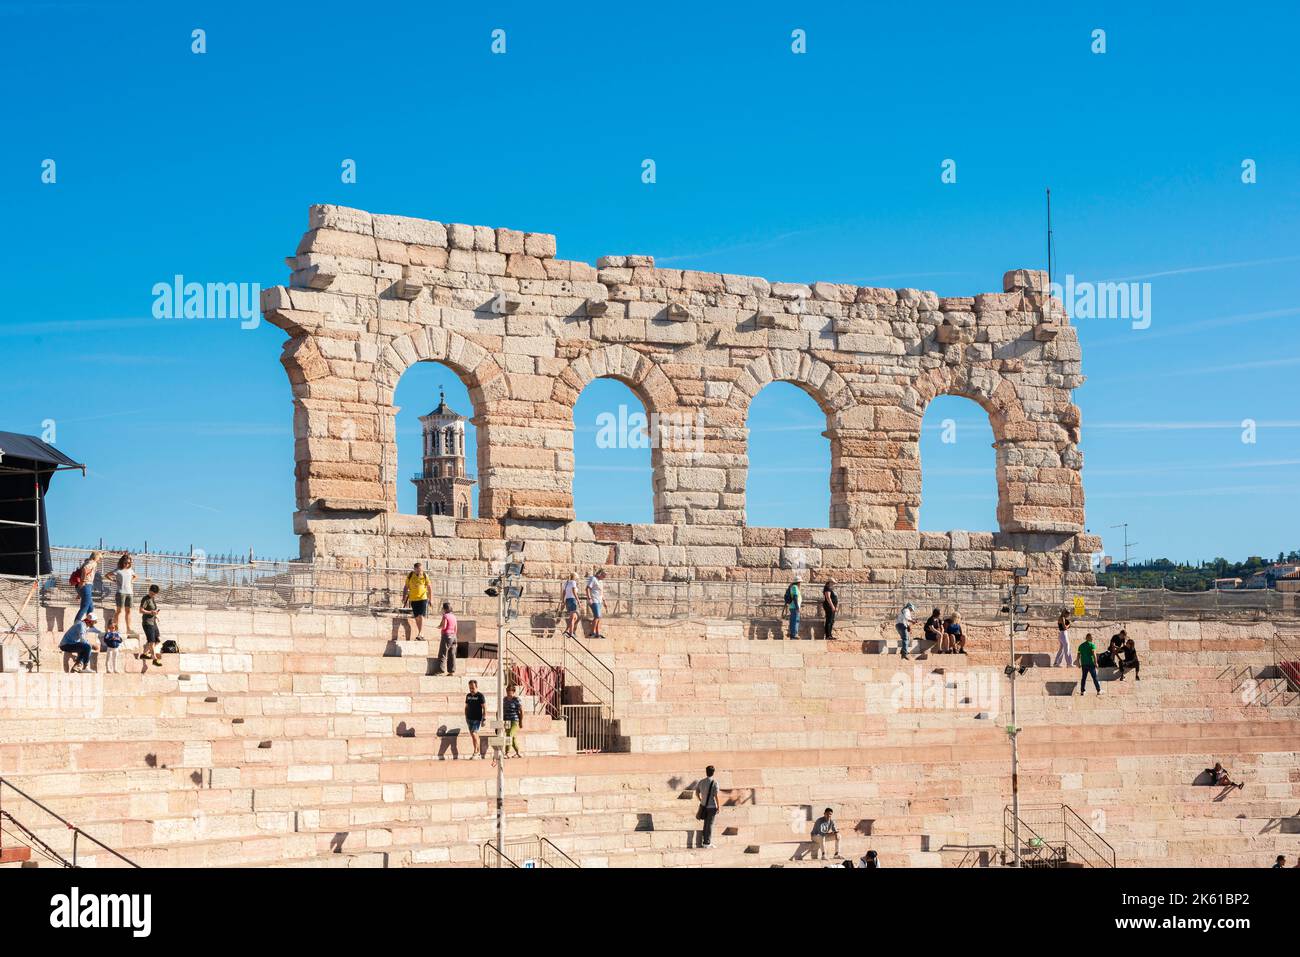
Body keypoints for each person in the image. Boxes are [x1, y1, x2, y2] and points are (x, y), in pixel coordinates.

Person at [402, 562, 431, 640]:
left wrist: (430, 598)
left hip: (422, 598)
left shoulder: (425, 576)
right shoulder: (410, 575)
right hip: (413, 599)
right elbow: (406, 587)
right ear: (414, 569)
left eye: (421, 570)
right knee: (417, 617)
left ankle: (420, 633)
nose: (420, 572)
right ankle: (421, 634)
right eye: (418, 570)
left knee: (421, 616)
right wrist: (404, 597)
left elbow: (429, 587)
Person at [71, 550, 99, 624]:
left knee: (90, 607)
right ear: (96, 557)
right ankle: (76, 623)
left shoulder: (86, 562)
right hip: (86, 585)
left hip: (82, 586)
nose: (100, 560)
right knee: (85, 606)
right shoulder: (93, 562)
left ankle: (89, 624)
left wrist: (79, 592)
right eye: (99, 558)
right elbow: (84, 569)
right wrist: (83, 581)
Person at [695, 765, 720, 849]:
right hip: (712, 806)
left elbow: (696, 792)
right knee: (710, 824)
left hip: (704, 806)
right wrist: (718, 806)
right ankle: (707, 843)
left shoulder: (701, 782)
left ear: (706, 772)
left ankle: (704, 841)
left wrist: (701, 800)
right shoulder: (715, 783)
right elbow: (716, 796)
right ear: (713, 773)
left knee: (706, 824)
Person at [139, 584, 163, 667]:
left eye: (154, 594)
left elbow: (152, 609)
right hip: (147, 623)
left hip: (153, 622)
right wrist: (151, 612)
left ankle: (144, 654)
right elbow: (141, 610)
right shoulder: (145, 599)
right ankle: (154, 659)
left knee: (156, 640)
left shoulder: (152, 599)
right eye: (151, 593)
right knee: (151, 641)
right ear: (149, 590)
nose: (152, 595)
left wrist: (155, 615)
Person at [113, 553, 137, 635]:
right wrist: (114, 580)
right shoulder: (118, 570)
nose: (127, 564)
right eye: (125, 562)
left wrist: (132, 581)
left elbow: (135, 576)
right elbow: (107, 575)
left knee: (129, 611)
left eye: (129, 563)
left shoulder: (131, 570)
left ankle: (128, 629)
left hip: (130, 593)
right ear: (122, 562)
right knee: (119, 611)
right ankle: (116, 629)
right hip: (120, 593)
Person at [464, 680, 486, 759]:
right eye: (470, 688)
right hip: (469, 718)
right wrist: (466, 717)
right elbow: (466, 707)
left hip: (477, 719)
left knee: (474, 734)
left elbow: (484, 708)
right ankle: (478, 753)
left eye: (473, 688)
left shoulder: (480, 696)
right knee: (474, 736)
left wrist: (484, 718)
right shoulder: (468, 695)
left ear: (476, 687)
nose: (471, 689)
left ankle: (475, 752)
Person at [503, 683, 524, 758]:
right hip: (506, 721)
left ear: (513, 691)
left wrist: (521, 721)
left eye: (511, 690)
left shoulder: (516, 699)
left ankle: (506, 752)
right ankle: (518, 752)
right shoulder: (504, 699)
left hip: (514, 720)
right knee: (513, 737)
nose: (509, 692)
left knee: (509, 735)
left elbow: (521, 711)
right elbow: (502, 710)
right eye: (508, 690)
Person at [437, 602, 458, 675]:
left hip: (446, 635)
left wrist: (440, 627)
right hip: (454, 636)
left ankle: (441, 670)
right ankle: (451, 671)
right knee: (452, 654)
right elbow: (456, 628)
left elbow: (444, 626)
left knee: (443, 652)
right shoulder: (454, 616)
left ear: (444, 609)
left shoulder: (445, 616)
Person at [585, 568, 606, 638]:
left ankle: (597, 633)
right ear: (600, 574)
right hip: (594, 600)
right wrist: (589, 598)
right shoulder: (593, 579)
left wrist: (604, 601)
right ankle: (592, 632)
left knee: (598, 617)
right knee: (597, 616)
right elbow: (587, 588)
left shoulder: (601, 581)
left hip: (599, 601)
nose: (605, 577)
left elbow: (601, 592)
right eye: (603, 575)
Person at [561, 572, 579, 638]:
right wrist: (578, 601)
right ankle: (571, 633)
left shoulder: (566, 583)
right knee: (572, 617)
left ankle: (567, 631)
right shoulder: (573, 582)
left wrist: (563, 601)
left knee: (575, 617)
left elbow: (563, 592)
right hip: (572, 600)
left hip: (567, 600)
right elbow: (574, 592)